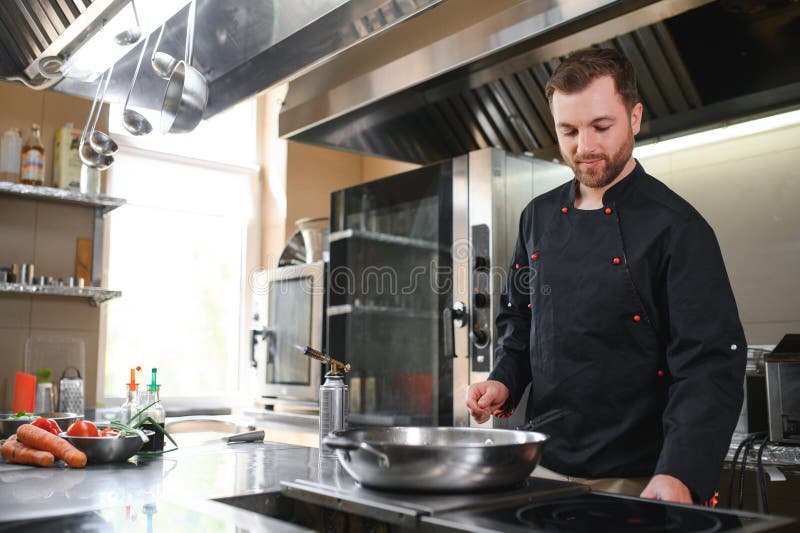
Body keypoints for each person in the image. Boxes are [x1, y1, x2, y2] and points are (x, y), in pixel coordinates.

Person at [465, 47, 746, 505]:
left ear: (634, 117)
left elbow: (709, 362)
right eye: (569, 131)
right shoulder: (536, 217)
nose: (584, 146)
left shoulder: (678, 228)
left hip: (639, 480)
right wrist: (503, 380)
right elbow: (519, 319)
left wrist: (679, 472)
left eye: (601, 126)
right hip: (543, 469)